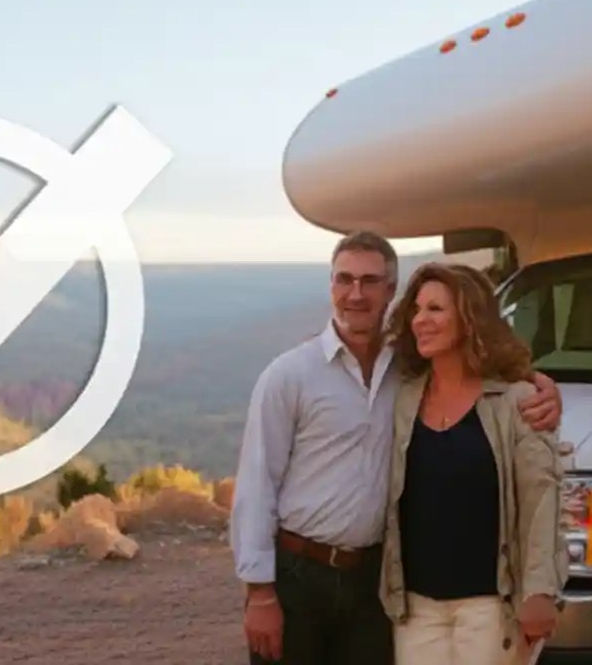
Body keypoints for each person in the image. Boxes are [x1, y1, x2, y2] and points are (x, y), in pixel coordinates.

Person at [229, 231, 563, 665]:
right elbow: (256, 485)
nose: (355, 293)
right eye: (344, 280)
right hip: (299, 574)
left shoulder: (405, 373)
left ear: (390, 290)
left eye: (370, 281)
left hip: (374, 583)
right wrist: (259, 593)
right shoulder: (290, 376)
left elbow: (487, 377)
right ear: (331, 286)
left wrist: (545, 387)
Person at [379, 262, 567, 665]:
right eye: (416, 309)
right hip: (416, 607)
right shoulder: (402, 398)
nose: (420, 321)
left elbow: (541, 502)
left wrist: (540, 592)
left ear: (469, 319)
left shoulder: (516, 402)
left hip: (489, 606)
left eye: (436, 309)